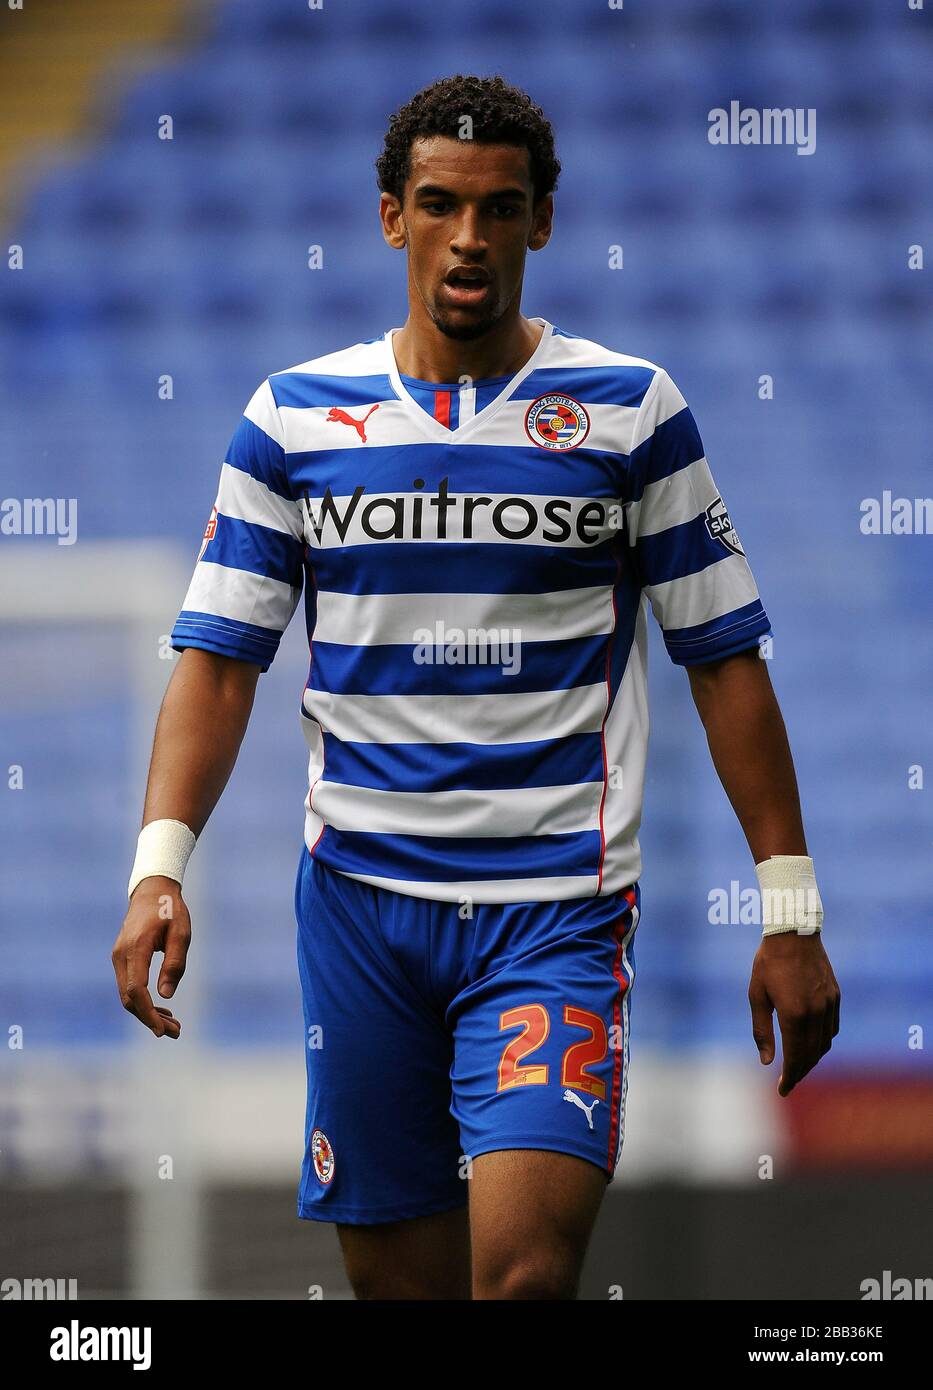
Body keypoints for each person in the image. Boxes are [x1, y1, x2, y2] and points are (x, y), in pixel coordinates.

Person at [112, 75, 840, 1301]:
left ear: (542, 224)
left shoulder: (631, 414)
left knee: (521, 1280)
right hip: (360, 911)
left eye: (501, 210)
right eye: (441, 205)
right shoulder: (291, 421)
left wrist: (792, 907)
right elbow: (221, 664)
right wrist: (158, 866)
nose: (469, 238)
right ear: (391, 215)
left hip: (553, 909)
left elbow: (723, 656)